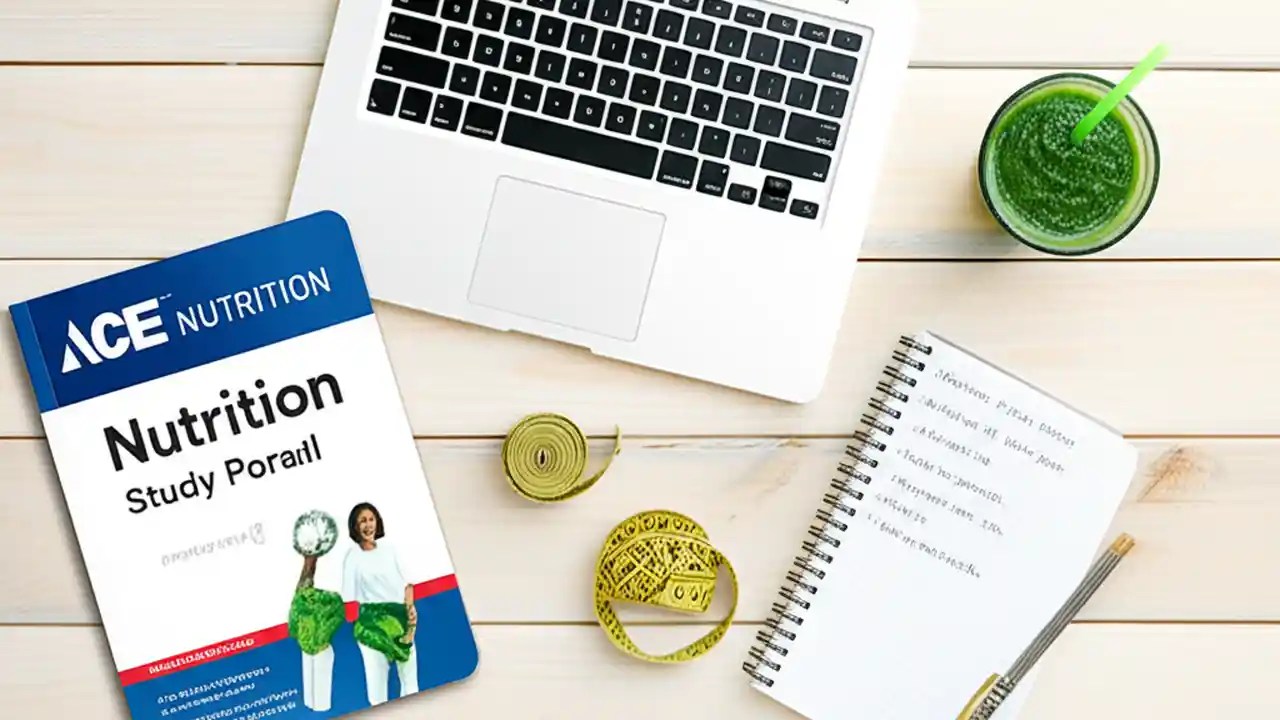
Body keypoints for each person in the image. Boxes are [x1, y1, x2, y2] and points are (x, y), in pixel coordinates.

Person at [342, 502, 418, 705]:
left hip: (401, 621)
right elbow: (349, 600)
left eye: (371, 519)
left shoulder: (390, 548)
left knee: (411, 684)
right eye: (362, 521)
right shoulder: (353, 557)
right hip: (372, 626)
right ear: (355, 527)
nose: (368, 525)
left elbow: (408, 584)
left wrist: (410, 616)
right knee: (377, 692)